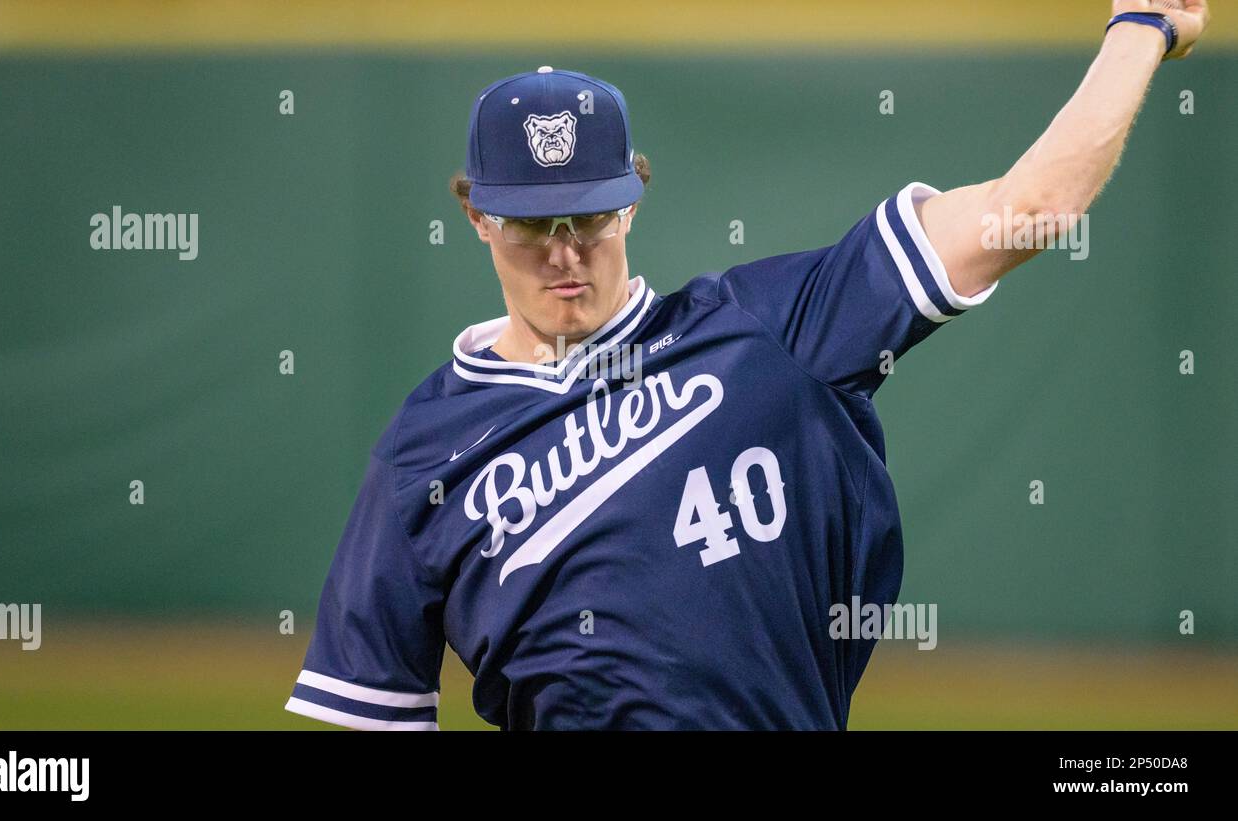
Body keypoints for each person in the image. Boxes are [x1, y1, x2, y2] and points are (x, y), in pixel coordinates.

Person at [285, 1, 1210, 730]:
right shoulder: (423, 454)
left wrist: (1139, 28)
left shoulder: (768, 329)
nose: (565, 251)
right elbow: (370, 706)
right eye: (531, 223)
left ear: (633, 204)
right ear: (480, 217)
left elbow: (1029, 209)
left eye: (591, 216)